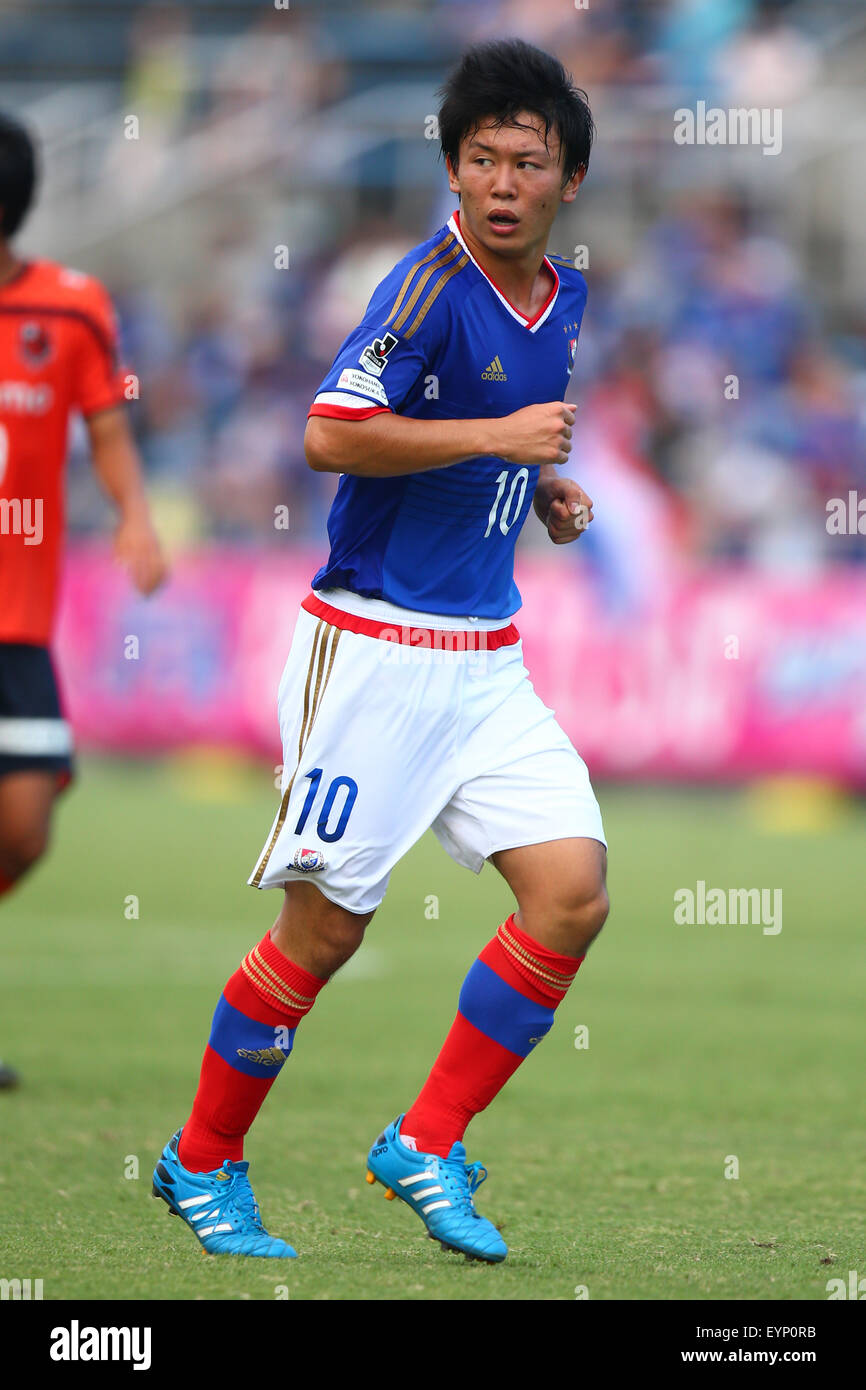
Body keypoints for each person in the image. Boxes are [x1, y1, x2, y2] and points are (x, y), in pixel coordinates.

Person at [153, 38, 608, 1264]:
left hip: (487, 659)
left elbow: (500, 437)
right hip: (371, 649)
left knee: (569, 896)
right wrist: (499, 435)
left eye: (528, 160)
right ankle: (200, 1160)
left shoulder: (563, 297)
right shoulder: (420, 287)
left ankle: (424, 1138)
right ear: (452, 172)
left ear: (567, 180)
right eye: (480, 159)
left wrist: (542, 481)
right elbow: (329, 433)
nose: (502, 181)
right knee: (324, 936)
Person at [0, 112, 168, 1086]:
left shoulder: (69, 310)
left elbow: (106, 427)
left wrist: (135, 515)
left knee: (23, 826)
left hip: (18, 625)